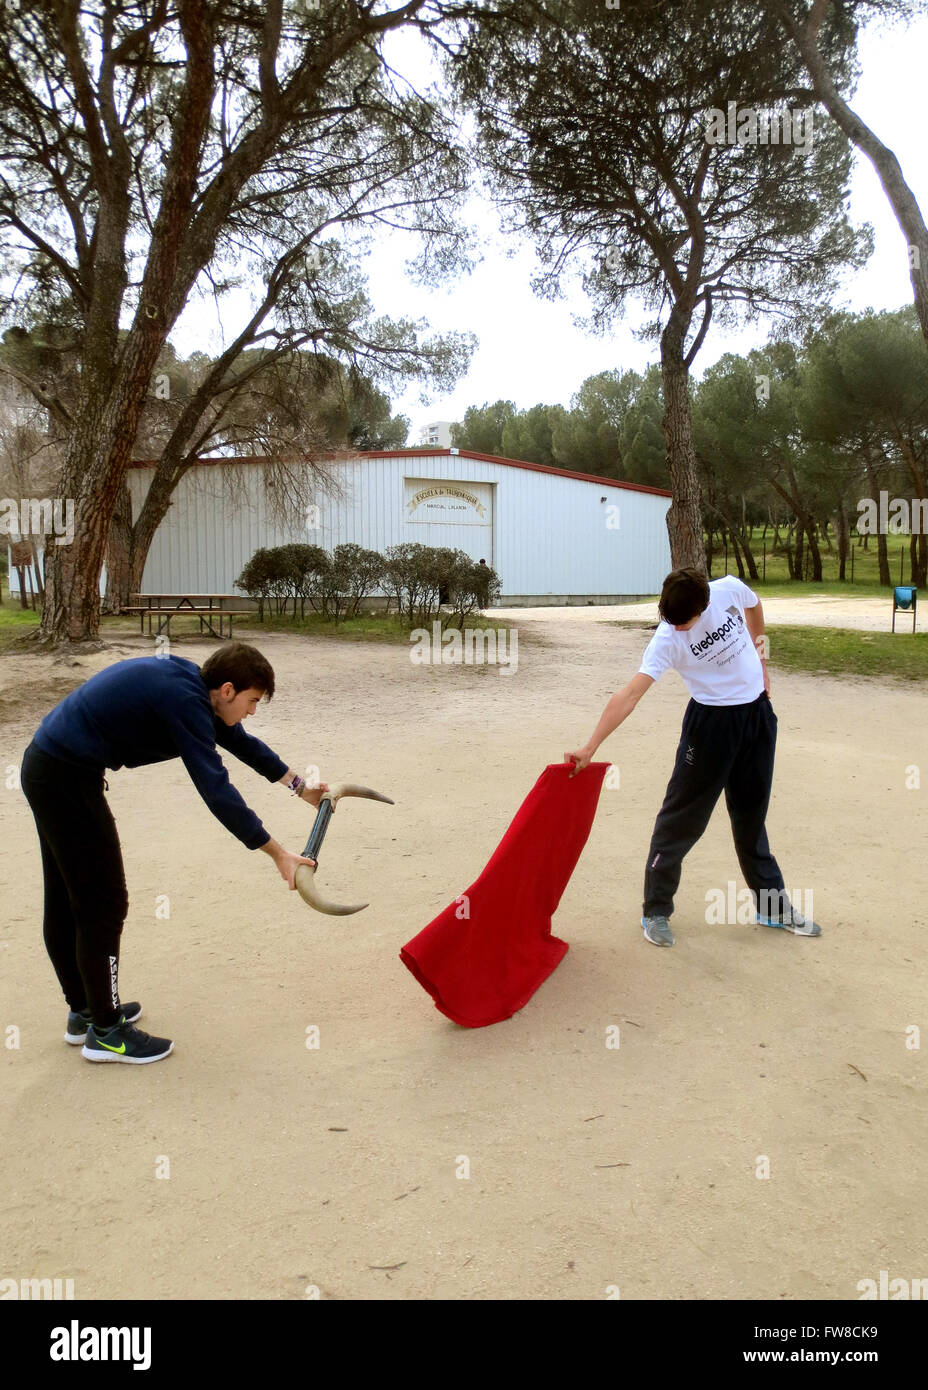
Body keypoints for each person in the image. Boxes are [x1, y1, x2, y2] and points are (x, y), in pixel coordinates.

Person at [21, 642, 326, 1064]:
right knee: (103, 903)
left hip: (52, 768)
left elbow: (242, 743)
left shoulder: (192, 687)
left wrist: (300, 788)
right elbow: (216, 788)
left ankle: (87, 1013)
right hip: (65, 779)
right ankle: (106, 1033)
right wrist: (277, 853)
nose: (253, 711)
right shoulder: (185, 701)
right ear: (227, 689)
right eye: (252, 701)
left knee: (70, 898)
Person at [564, 567, 821, 946]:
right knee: (681, 822)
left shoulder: (727, 589)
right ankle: (655, 911)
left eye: (686, 622)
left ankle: (773, 907)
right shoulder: (667, 638)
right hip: (710, 728)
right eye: (671, 620)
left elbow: (755, 605)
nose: (679, 628)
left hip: (756, 719)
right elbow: (630, 695)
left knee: (752, 818)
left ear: (705, 603)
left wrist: (762, 662)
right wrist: (590, 746)